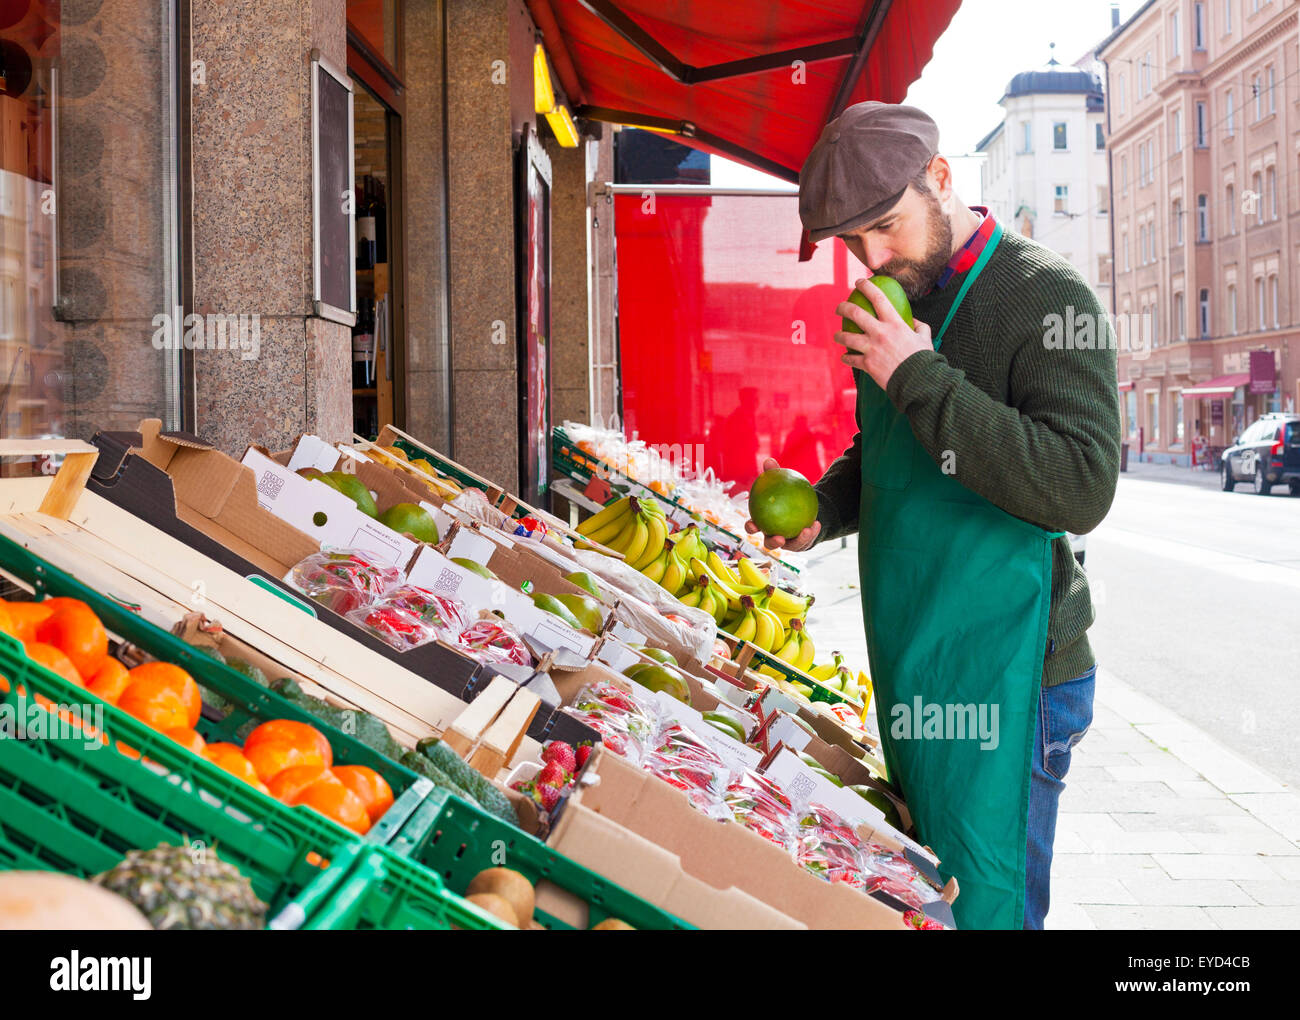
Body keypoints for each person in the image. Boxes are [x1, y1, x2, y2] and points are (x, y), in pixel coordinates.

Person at [746, 102, 1120, 930]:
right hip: (917, 655)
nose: (873, 258)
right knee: (932, 904)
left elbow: (1082, 484)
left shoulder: (1047, 298)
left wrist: (916, 372)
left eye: (886, 226)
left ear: (941, 180)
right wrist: (825, 509)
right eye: (852, 242)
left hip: (1012, 672)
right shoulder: (889, 298)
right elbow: (890, 448)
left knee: (985, 908)